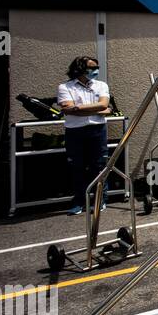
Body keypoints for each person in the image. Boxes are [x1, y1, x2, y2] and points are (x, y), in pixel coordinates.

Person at [57, 56, 111, 215]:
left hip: (97, 130)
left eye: (97, 67)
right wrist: (98, 110)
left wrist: (77, 108)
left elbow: (104, 105)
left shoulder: (101, 85)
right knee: (77, 167)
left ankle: (100, 200)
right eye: (92, 67)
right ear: (80, 69)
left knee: (99, 165)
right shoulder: (65, 87)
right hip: (75, 131)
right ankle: (79, 201)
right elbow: (66, 109)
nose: (96, 70)